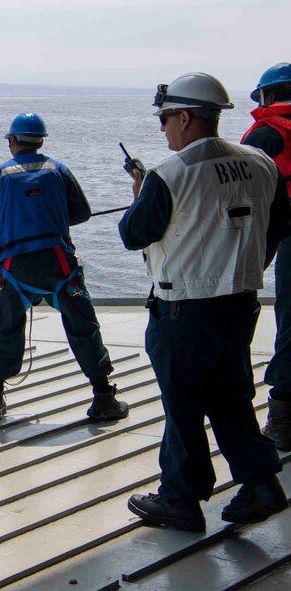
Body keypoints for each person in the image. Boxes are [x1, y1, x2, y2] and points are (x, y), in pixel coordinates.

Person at [119, 72, 288, 533]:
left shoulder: (168, 174)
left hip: (184, 308)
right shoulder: (259, 161)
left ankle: (181, 499)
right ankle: (260, 483)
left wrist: (138, 197)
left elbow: (134, 234)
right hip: (241, 302)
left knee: (184, 404)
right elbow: (278, 226)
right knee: (231, 397)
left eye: (167, 119)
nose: (163, 129)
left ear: (187, 117)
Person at [0, 112, 128, 422]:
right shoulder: (59, 170)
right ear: (40, 140)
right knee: (83, 326)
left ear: (14, 141)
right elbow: (81, 213)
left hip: (16, 268)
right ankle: (103, 397)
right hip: (59, 265)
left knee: (7, 328)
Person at [241, 62, 291, 450]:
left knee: (289, 324)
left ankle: (284, 417)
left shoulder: (264, 134)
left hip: (285, 235)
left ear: (268, 96)